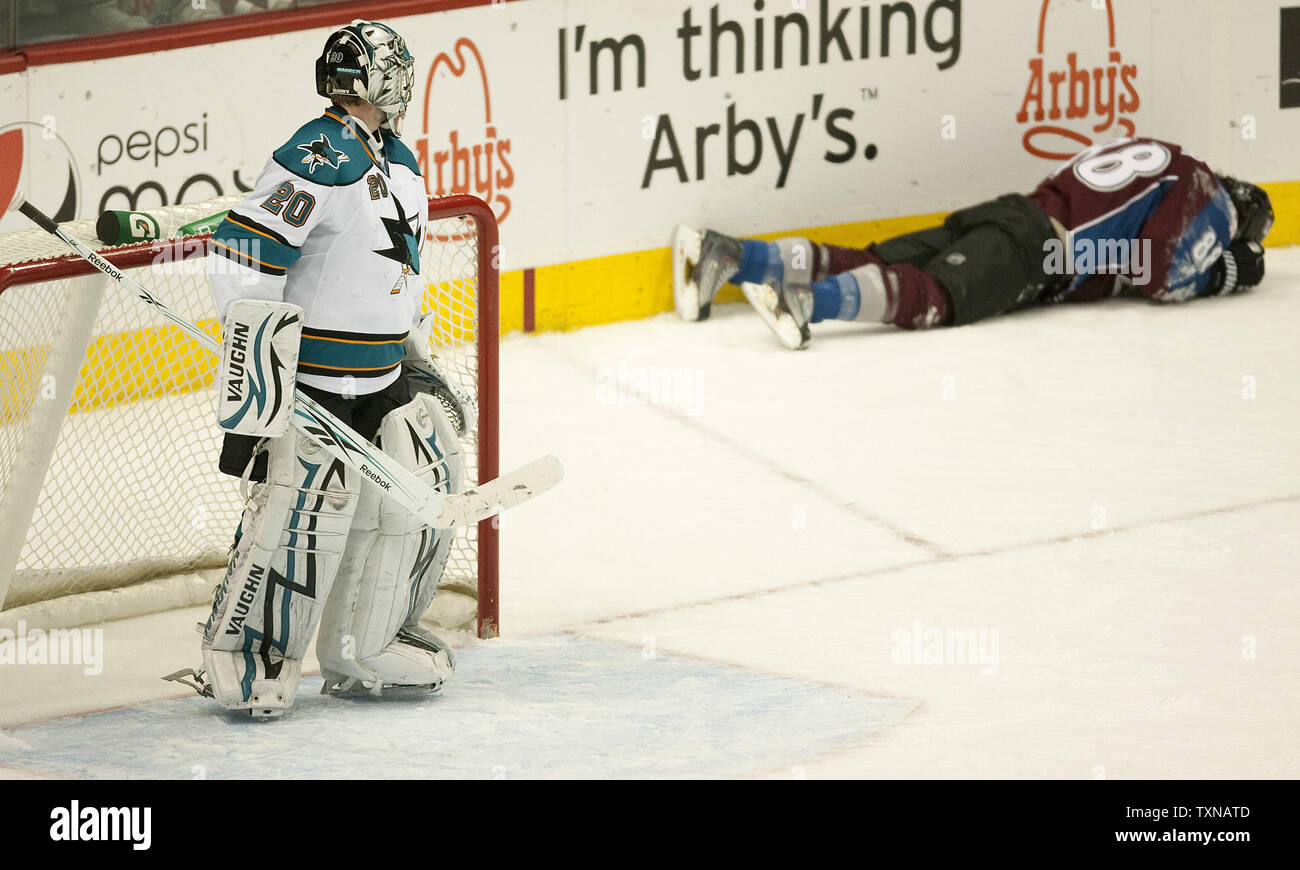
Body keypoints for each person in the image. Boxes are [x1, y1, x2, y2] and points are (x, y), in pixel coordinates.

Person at [172, 20, 473, 718]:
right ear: (389, 80)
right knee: (301, 523)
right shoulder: (318, 153)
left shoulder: (397, 160)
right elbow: (244, 258)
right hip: (318, 385)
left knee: (414, 498)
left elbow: (394, 275)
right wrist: (265, 370)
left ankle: (360, 646)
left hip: (382, 375)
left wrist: (413, 348)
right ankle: (248, 664)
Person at [673, 137, 1273, 349]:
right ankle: (806, 303)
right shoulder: (1206, 192)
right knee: (937, 296)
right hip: (1043, 250)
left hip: (1014, 213)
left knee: (880, 260)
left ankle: (731, 254)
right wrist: (1227, 273)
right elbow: (1162, 275)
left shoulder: (1162, 156)